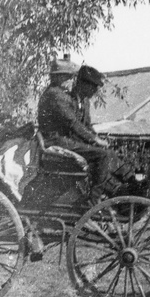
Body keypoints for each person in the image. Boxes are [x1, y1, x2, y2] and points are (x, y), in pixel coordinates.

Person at [36, 58, 113, 200]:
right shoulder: (56, 94)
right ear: (59, 77)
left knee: (104, 154)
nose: (71, 81)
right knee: (102, 155)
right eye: (69, 77)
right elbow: (73, 123)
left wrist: (96, 139)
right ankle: (94, 200)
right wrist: (95, 139)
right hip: (55, 141)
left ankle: (102, 191)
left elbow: (84, 125)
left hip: (61, 139)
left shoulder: (63, 95)